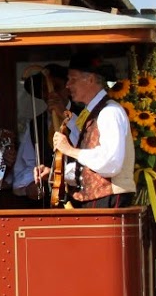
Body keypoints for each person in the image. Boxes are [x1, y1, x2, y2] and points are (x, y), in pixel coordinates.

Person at [51, 54, 134, 208]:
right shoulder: (92, 114)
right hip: (97, 201)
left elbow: (111, 163)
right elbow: (88, 167)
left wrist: (70, 150)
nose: (68, 85)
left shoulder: (110, 112)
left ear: (90, 80)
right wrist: (55, 173)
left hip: (108, 201)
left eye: (72, 79)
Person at [11, 64, 71, 200]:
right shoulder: (35, 124)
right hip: (50, 199)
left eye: (56, 87)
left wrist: (63, 114)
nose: (51, 93)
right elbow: (26, 164)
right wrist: (30, 185)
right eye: (45, 89)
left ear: (68, 89)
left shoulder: (83, 117)